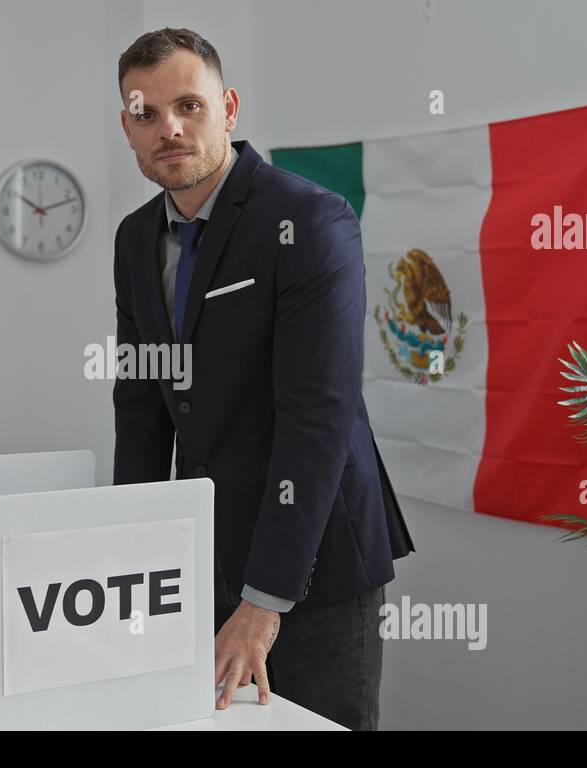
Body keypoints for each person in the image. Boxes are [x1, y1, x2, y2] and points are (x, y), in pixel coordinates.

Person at [112, 27, 416, 731]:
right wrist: (134, 559)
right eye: (145, 113)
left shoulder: (310, 219)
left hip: (312, 567)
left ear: (230, 108)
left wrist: (263, 602)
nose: (170, 128)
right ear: (126, 126)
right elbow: (142, 407)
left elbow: (319, 417)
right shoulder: (134, 238)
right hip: (202, 561)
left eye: (189, 105)